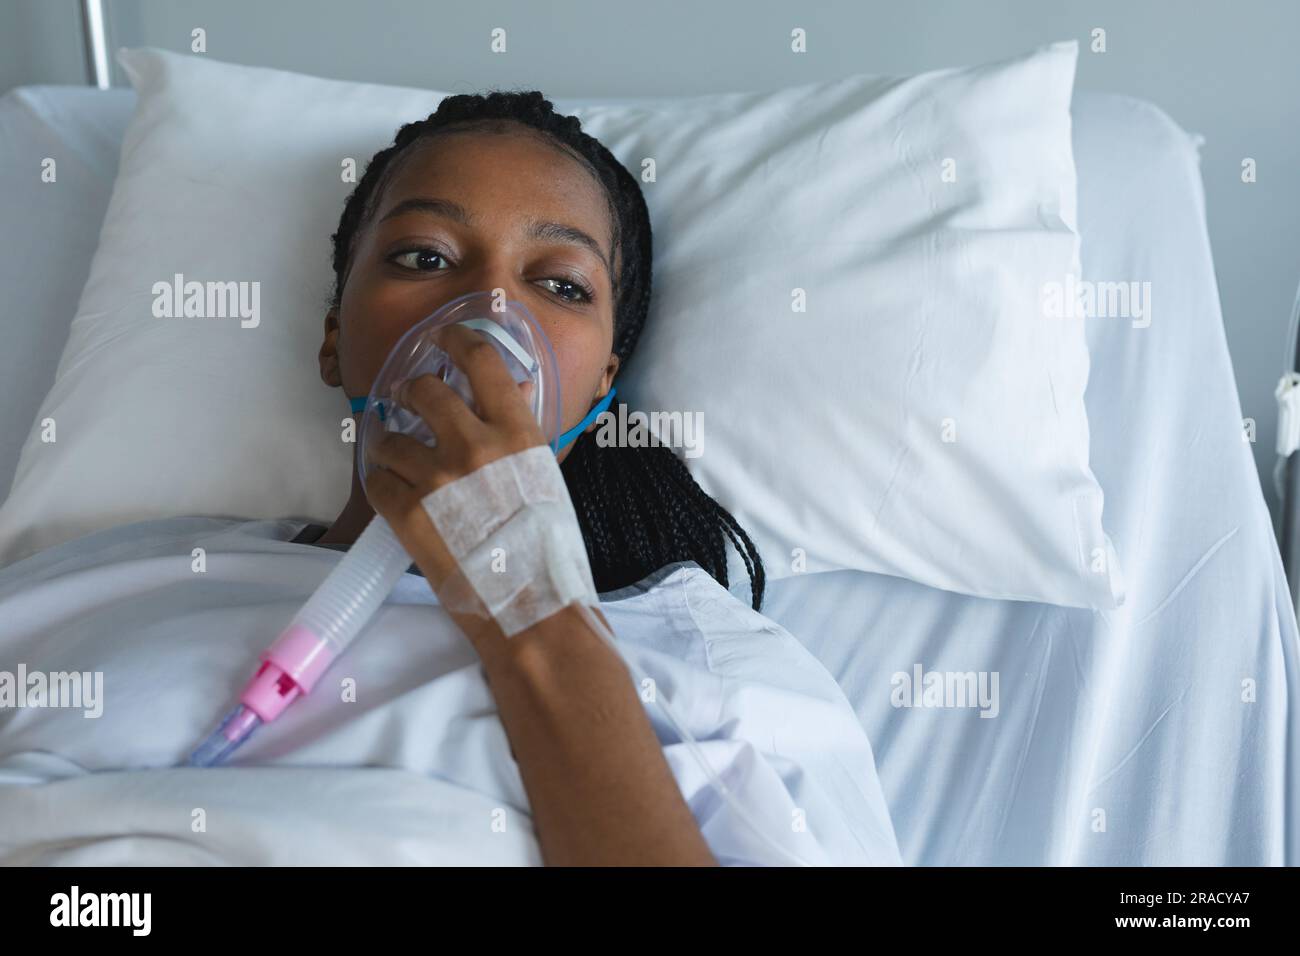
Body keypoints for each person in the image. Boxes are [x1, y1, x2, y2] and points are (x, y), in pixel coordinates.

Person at [297, 90, 767, 865]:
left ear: (601, 384)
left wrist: (535, 610)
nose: (487, 314)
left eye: (560, 285)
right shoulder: (121, 578)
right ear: (334, 338)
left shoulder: (718, 676)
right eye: (425, 257)